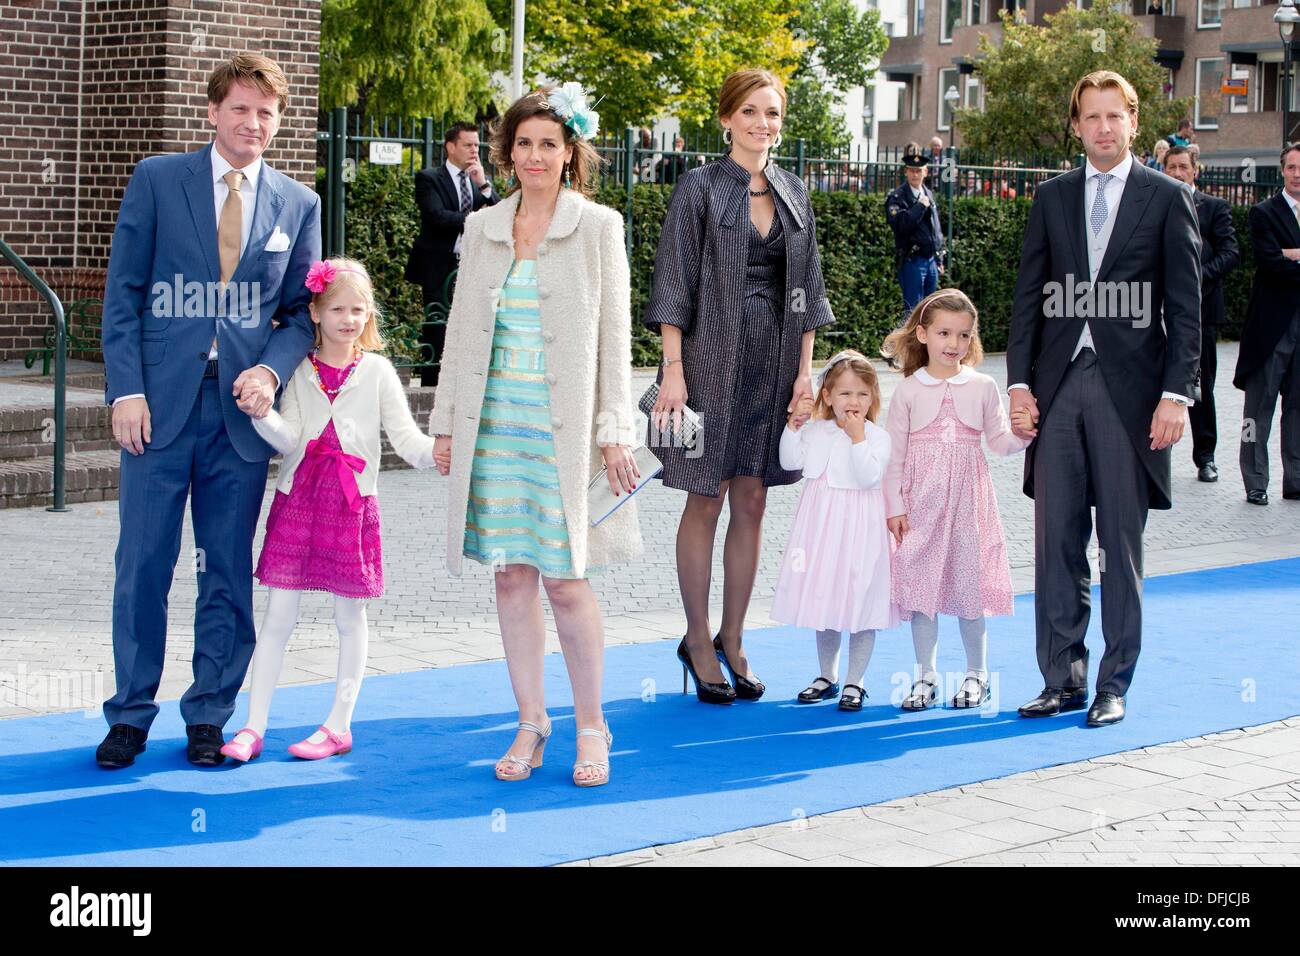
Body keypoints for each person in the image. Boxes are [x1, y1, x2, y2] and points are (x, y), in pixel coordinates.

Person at [96, 53, 319, 769]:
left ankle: (209, 713)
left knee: (224, 566)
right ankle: (130, 712)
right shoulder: (159, 180)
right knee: (144, 563)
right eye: (240, 108)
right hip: (158, 410)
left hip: (239, 418)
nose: (253, 123)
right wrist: (124, 390)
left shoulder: (298, 203)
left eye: (266, 112)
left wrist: (268, 368)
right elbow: (125, 293)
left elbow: (300, 318)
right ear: (214, 111)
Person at [429, 83, 643, 787]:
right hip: (496, 428)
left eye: (548, 143)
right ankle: (531, 720)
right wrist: (446, 426)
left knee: (569, 581)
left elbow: (616, 340)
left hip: (563, 435)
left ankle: (591, 724)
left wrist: (616, 431)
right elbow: (461, 334)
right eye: (522, 143)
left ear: (571, 151)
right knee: (511, 574)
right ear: (507, 150)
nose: (533, 155)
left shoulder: (598, 227)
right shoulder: (482, 226)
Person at [1007, 70, 1200, 728]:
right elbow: (1028, 296)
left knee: (1120, 546)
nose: (1103, 127)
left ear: (1133, 121)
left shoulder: (1168, 198)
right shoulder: (1052, 198)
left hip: (1132, 396)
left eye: (1114, 116)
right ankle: (1060, 678)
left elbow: (1187, 310)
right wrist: (1018, 382)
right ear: (1076, 126)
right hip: (1059, 389)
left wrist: (1177, 394)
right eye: (1091, 117)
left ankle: (1113, 683)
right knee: (1057, 539)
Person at [644, 68, 835, 706]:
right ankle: (697, 640)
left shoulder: (794, 191)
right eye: (749, 112)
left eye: (772, 114)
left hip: (774, 364)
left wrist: (805, 373)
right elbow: (673, 281)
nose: (762, 124)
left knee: (752, 498)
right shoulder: (698, 188)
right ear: (727, 118)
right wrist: (673, 370)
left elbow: (808, 291)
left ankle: (733, 636)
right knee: (706, 496)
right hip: (708, 360)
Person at [221, 258, 438, 763]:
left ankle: (339, 724)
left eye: (358, 310)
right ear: (314, 312)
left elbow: (405, 439)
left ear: (369, 315)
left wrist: (435, 454)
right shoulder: (299, 369)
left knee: (349, 616)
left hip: (351, 505)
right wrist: (263, 415)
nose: (348, 319)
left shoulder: (379, 372)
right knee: (277, 616)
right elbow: (290, 437)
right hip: (299, 502)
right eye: (337, 308)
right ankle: (253, 727)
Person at [881, 289, 1030, 711]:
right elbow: (894, 456)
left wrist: (1022, 434)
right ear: (924, 334)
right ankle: (926, 676)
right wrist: (895, 506)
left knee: (970, 586)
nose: (954, 344)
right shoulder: (909, 390)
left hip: (968, 501)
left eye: (964, 335)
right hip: (921, 502)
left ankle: (976, 675)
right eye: (945, 333)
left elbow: (999, 442)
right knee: (920, 587)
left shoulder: (982, 386)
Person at [771, 350, 894, 712]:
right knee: (826, 597)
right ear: (827, 396)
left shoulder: (877, 437)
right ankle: (827, 675)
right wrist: (793, 428)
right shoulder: (817, 432)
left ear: (873, 398)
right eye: (844, 394)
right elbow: (789, 462)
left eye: (862, 394)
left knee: (860, 599)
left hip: (860, 530)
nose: (853, 402)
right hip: (821, 528)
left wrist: (857, 438)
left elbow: (869, 476)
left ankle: (856, 681)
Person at [1162, 145, 1239, 483]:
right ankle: (1154, 455)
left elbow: (1230, 252)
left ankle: (1205, 457)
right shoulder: (1155, 205)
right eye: (1171, 167)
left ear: (1195, 170)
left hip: (1201, 313)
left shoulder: (1214, 208)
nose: (1177, 173)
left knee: (1200, 387)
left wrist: (1192, 280)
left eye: (1183, 167)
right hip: (1153, 313)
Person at [404, 122, 499, 386]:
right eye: (468, 145)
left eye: (476, 145)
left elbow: (501, 214)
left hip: (470, 264)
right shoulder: (429, 178)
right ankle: (431, 383)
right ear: (451, 147)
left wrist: (484, 185)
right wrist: (478, 219)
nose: (473, 151)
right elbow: (437, 217)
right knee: (437, 323)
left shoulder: (477, 181)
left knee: (470, 323)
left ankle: (465, 383)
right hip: (438, 263)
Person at [1233, 142, 1300, 505]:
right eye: (1291, 167)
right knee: (1258, 410)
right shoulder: (1264, 213)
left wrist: (1293, 255)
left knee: (1298, 408)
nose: (1298, 173)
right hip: (1270, 329)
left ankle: (1297, 480)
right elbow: (1270, 264)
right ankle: (1255, 482)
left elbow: (1284, 261)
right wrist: (1284, 257)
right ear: (1282, 171)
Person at [886, 145, 945, 322]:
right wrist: (919, 206)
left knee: (930, 311)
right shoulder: (898, 197)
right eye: (911, 171)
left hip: (930, 260)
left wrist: (939, 259)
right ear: (906, 172)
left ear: (925, 172)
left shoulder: (928, 194)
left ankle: (926, 349)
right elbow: (901, 226)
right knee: (913, 312)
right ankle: (910, 350)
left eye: (919, 171)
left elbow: (936, 228)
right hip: (912, 260)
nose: (915, 175)